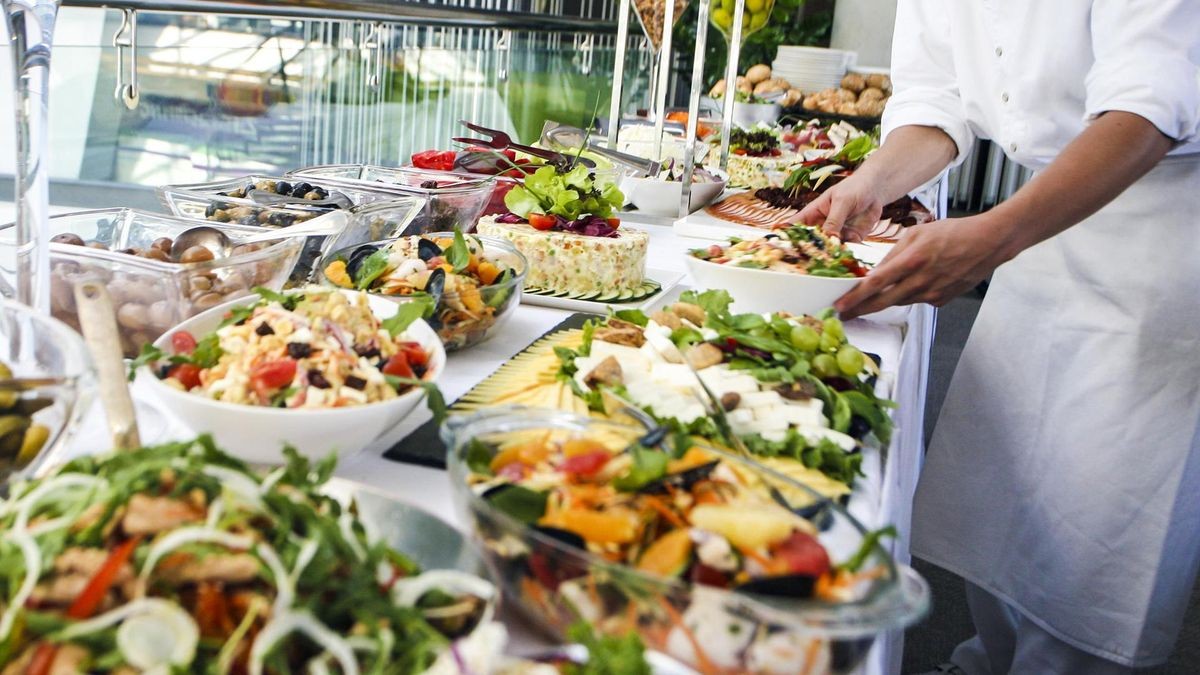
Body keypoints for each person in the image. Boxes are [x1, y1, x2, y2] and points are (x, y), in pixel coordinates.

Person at [798, 2, 1200, 673]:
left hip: (1160, 239)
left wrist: (996, 234)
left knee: (1095, 538)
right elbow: (936, 99)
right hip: (1042, 224)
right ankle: (984, 657)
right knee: (1004, 494)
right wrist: (872, 181)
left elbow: (1149, 105)